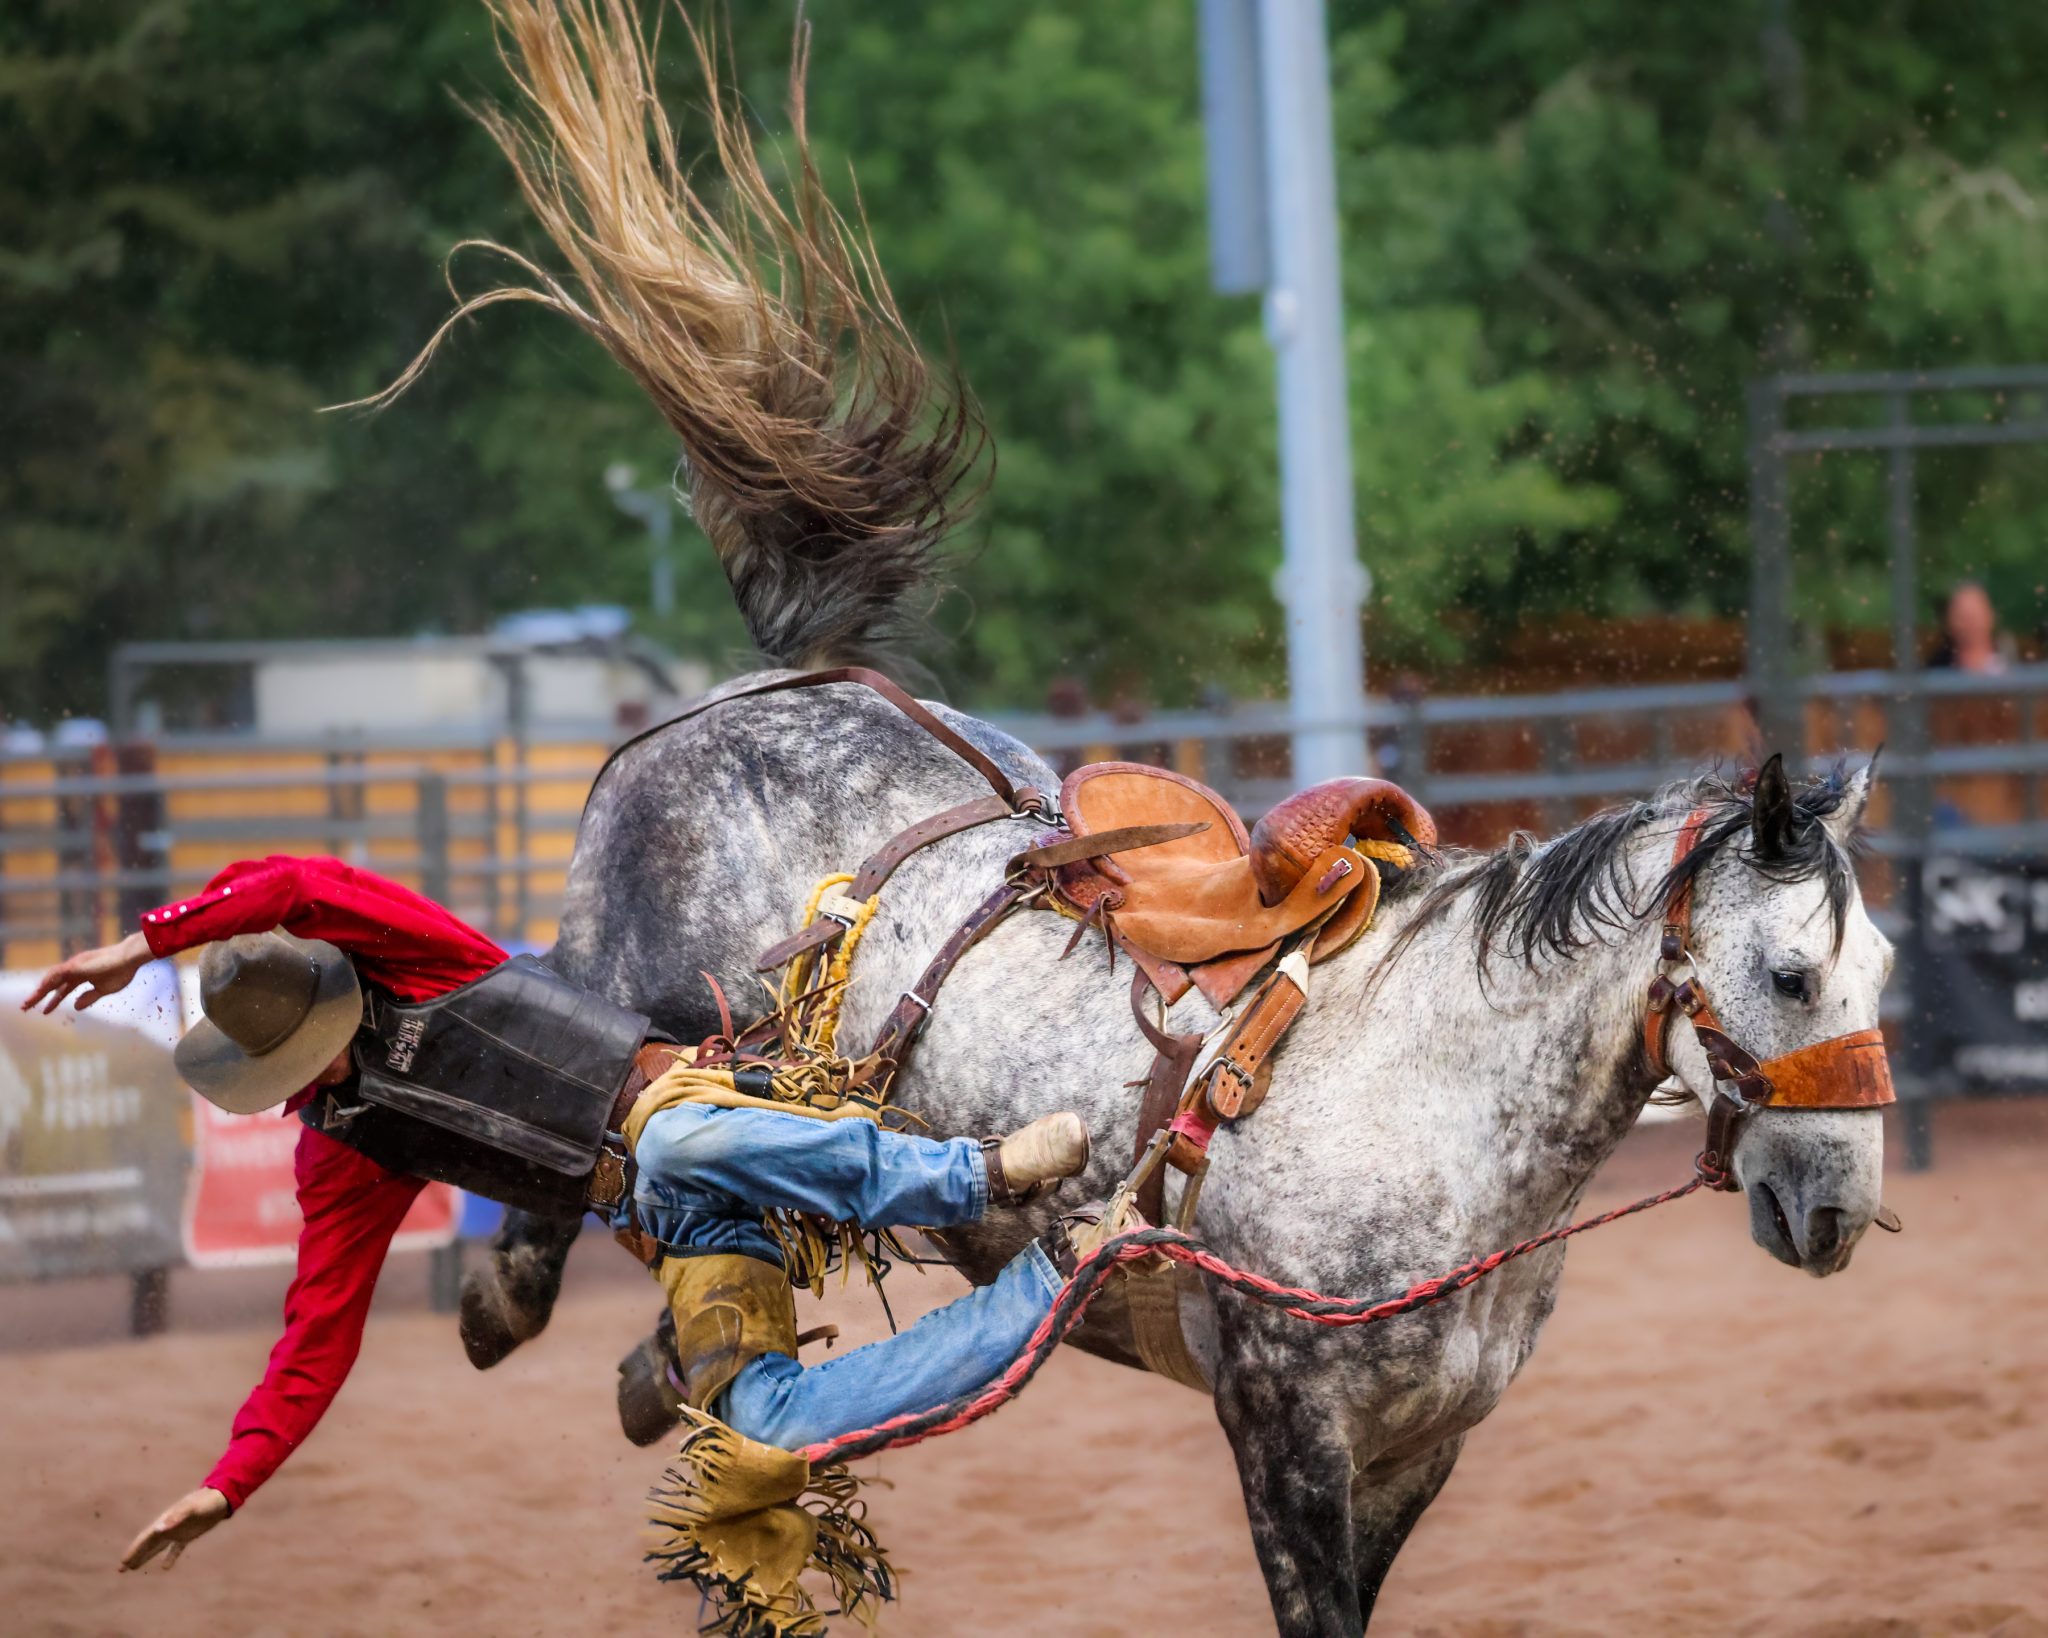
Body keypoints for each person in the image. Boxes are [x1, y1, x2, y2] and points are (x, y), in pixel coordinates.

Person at [22, 855, 1091, 1570]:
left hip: (695, 1109)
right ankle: (1059, 1278)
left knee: (670, 1136)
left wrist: (149, 940)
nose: (322, 1063)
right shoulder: (342, 1152)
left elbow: (297, 883)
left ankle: (975, 1175)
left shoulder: (413, 955)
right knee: (759, 1429)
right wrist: (230, 1481)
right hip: (677, 1223)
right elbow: (317, 1332)